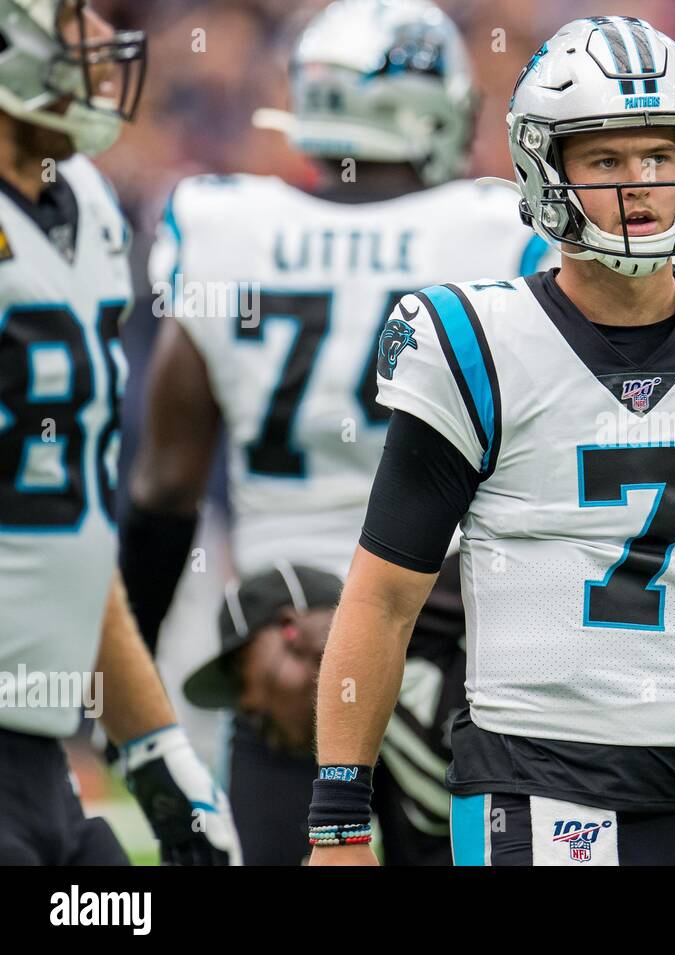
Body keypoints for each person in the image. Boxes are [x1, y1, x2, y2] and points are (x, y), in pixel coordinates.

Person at [309, 15, 675, 867]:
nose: (639, 185)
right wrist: (338, 816)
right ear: (546, 169)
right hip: (532, 776)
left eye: (659, 156)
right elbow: (384, 596)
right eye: (606, 160)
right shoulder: (476, 339)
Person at [120, 0, 541, 864]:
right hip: (455, 632)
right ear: (424, 108)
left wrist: (129, 681)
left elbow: (167, 484)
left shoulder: (221, 224)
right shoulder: (499, 230)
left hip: (280, 641)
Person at [0, 0, 237, 865]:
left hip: (37, 760)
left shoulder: (88, 204)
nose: (100, 35)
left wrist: (154, 748)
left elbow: (69, 538)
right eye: (71, 15)